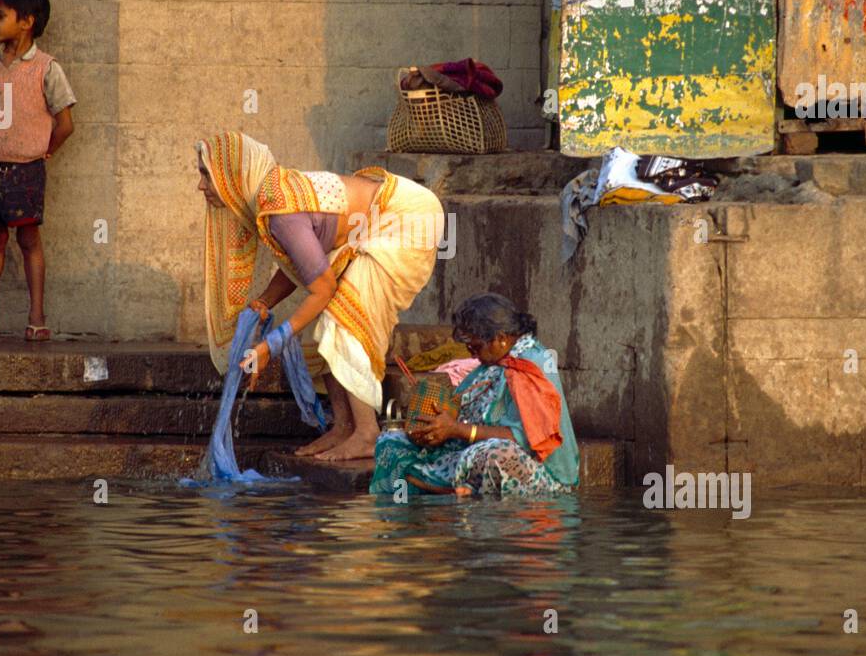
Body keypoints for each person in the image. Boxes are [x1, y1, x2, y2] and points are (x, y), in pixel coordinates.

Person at [197, 131, 444, 461]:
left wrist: (272, 344)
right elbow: (302, 264)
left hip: (406, 217)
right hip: (379, 218)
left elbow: (322, 287)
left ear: (231, 175)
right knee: (326, 321)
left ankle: (367, 434)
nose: (201, 186)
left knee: (341, 316)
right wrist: (264, 302)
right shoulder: (269, 197)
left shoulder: (279, 210)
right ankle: (344, 428)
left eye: (205, 175)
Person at [370, 293, 580, 497]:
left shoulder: (531, 365)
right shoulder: (492, 363)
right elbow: (461, 411)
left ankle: (448, 489)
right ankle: (415, 501)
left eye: (476, 347)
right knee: (391, 440)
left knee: (493, 456)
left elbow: (524, 439)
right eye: (468, 347)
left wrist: (457, 429)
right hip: (468, 448)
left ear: (501, 338)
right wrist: (437, 426)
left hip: (538, 469)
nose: (472, 354)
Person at [0, 0, 76, 341]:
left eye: (0, 15)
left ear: (26, 21)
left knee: (28, 239)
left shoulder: (46, 67)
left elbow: (65, 123)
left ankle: (37, 316)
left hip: (24, 169)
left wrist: (44, 151)